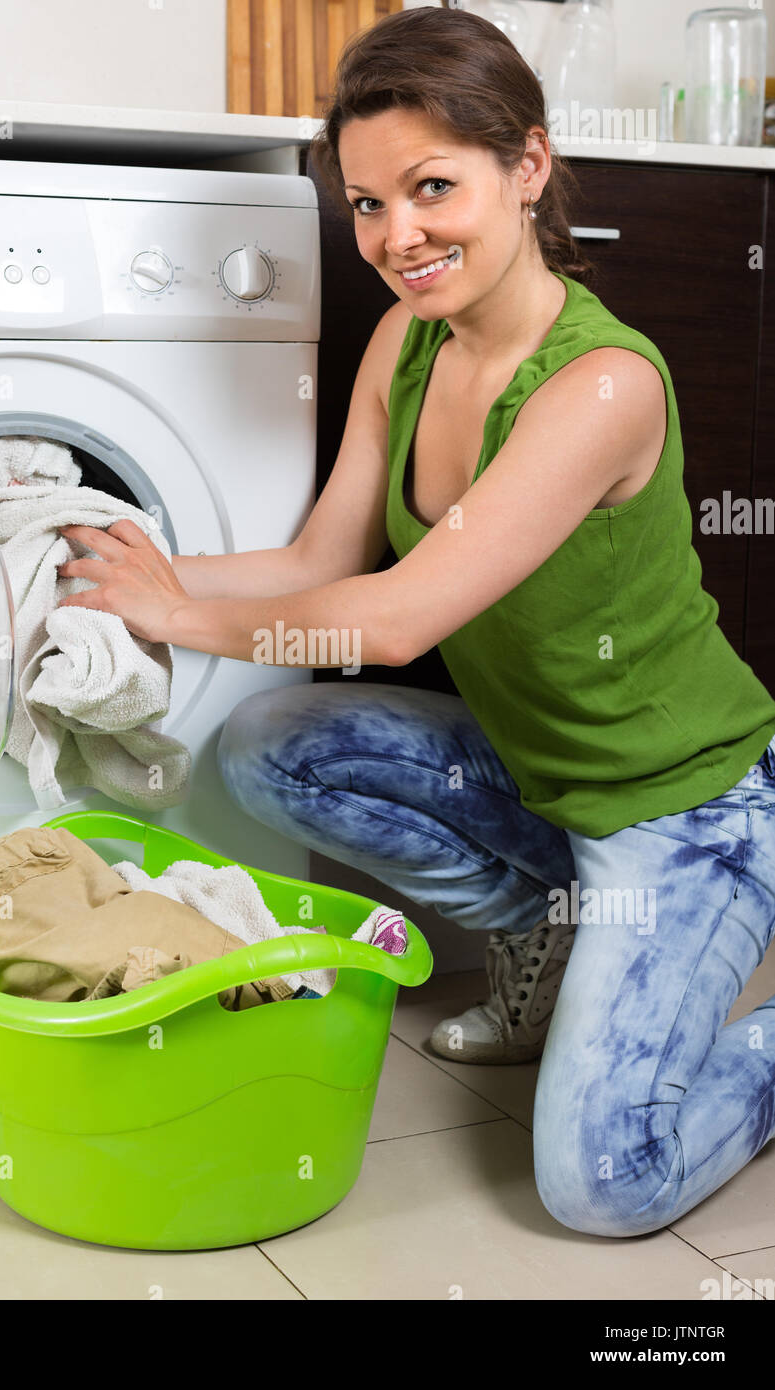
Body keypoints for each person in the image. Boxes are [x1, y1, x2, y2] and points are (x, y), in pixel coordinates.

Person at [51, 8, 775, 1238]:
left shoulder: (602, 385)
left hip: (687, 811)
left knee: (602, 1186)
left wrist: (179, 615)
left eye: (432, 187)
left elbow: (387, 621)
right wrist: (132, 568)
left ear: (528, 169)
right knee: (273, 744)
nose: (398, 237)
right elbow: (317, 559)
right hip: (539, 774)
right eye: (368, 203)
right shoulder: (406, 341)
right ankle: (557, 930)